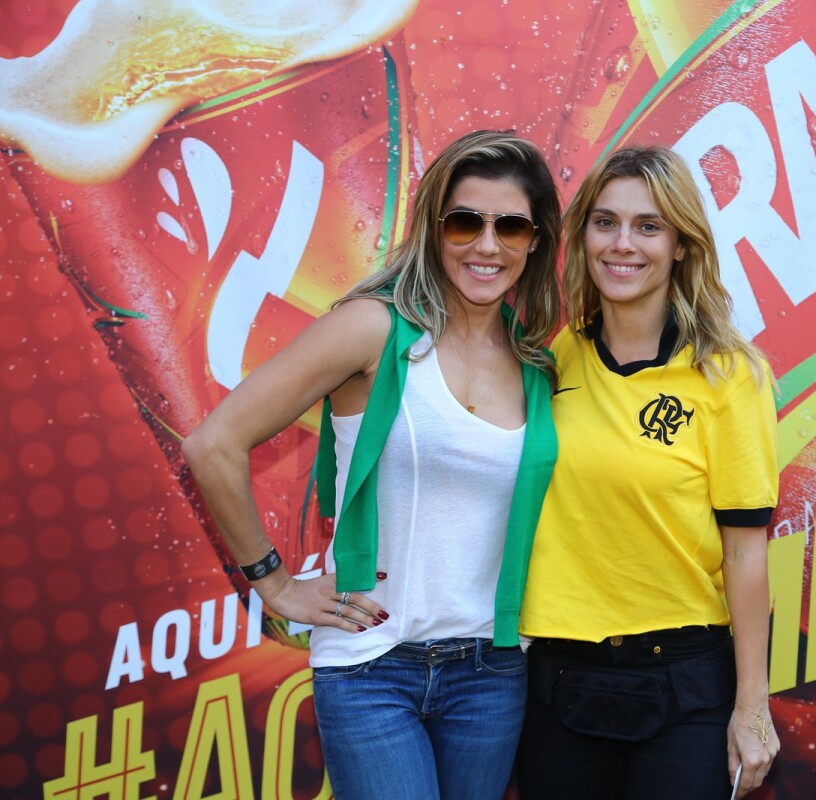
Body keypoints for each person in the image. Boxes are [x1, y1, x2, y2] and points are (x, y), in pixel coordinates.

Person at [182, 130, 561, 800]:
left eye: (512, 227)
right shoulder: (374, 330)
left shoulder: (537, 365)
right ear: (433, 228)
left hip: (493, 673)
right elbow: (213, 445)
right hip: (372, 669)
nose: (487, 245)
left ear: (537, 241)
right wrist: (274, 586)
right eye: (465, 221)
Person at [516, 144, 781, 799]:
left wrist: (752, 707)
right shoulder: (553, 359)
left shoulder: (728, 375)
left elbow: (746, 554)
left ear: (682, 244)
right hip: (560, 681)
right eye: (605, 222)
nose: (622, 243)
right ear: (582, 239)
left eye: (648, 225)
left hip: (684, 686)